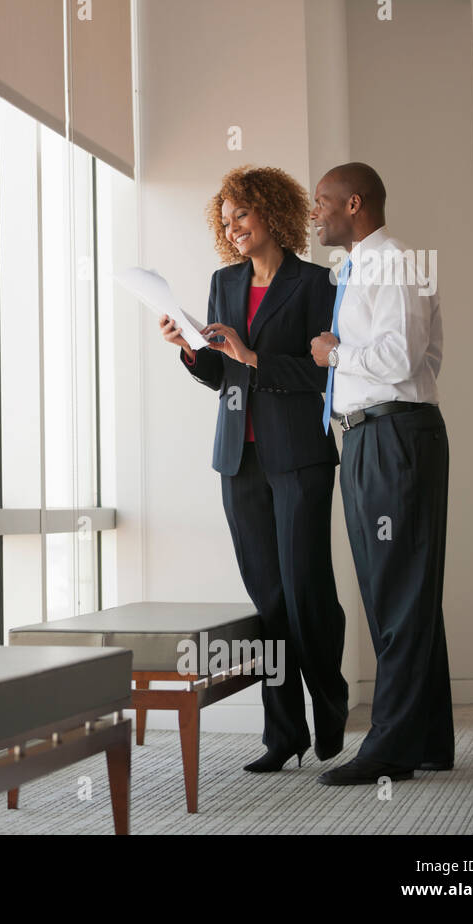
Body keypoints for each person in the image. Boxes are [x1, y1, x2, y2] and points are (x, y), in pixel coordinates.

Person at [160, 165, 349, 773]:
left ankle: (331, 703)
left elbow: (326, 371)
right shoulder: (224, 282)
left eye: (242, 214)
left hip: (299, 457)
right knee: (268, 598)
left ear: (271, 211)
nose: (234, 227)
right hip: (238, 459)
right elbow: (225, 377)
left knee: (306, 590)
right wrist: (194, 353)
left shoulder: (318, 284)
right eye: (226, 220)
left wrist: (253, 354)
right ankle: (283, 731)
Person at [309, 162, 452, 786]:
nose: (316, 213)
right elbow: (420, 354)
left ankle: (390, 746)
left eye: (322, 202)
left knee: (397, 590)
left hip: (394, 435)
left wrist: (336, 354)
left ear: (354, 203)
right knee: (401, 588)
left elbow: (404, 358)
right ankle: (427, 739)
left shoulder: (395, 262)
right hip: (370, 436)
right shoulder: (358, 268)